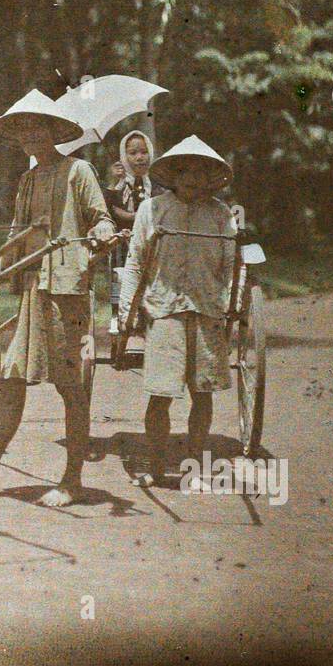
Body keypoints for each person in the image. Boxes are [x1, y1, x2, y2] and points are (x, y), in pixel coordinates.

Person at [0, 90, 116, 508]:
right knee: (11, 380)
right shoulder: (28, 179)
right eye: (21, 130)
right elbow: (18, 235)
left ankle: (72, 480)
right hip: (33, 292)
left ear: (53, 130)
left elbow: (100, 219)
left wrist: (103, 234)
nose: (30, 135)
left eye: (37, 126)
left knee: (71, 388)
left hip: (66, 293)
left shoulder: (78, 171)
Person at [118, 135, 236, 485]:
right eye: (185, 171)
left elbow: (229, 267)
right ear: (174, 174)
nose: (192, 179)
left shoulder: (220, 215)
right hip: (164, 311)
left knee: (202, 393)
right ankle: (154, 468)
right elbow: (136, 263)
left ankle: (195, 467)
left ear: (210, 178)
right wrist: (128, 311)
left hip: (205, 310)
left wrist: (225, 305)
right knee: (160, 395)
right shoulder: (152, 210)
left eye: (200, 173)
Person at [103, 129, 156, 334]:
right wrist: (112, 183)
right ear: (125, 157)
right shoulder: (119, 186)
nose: (139, 157)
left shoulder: (156, 185)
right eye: (133, 153)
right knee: (120, 276)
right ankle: (119, 315)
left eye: (143, 152)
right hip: (124, 243)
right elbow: (110, 211)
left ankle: (150, 320)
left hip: (150, 241)